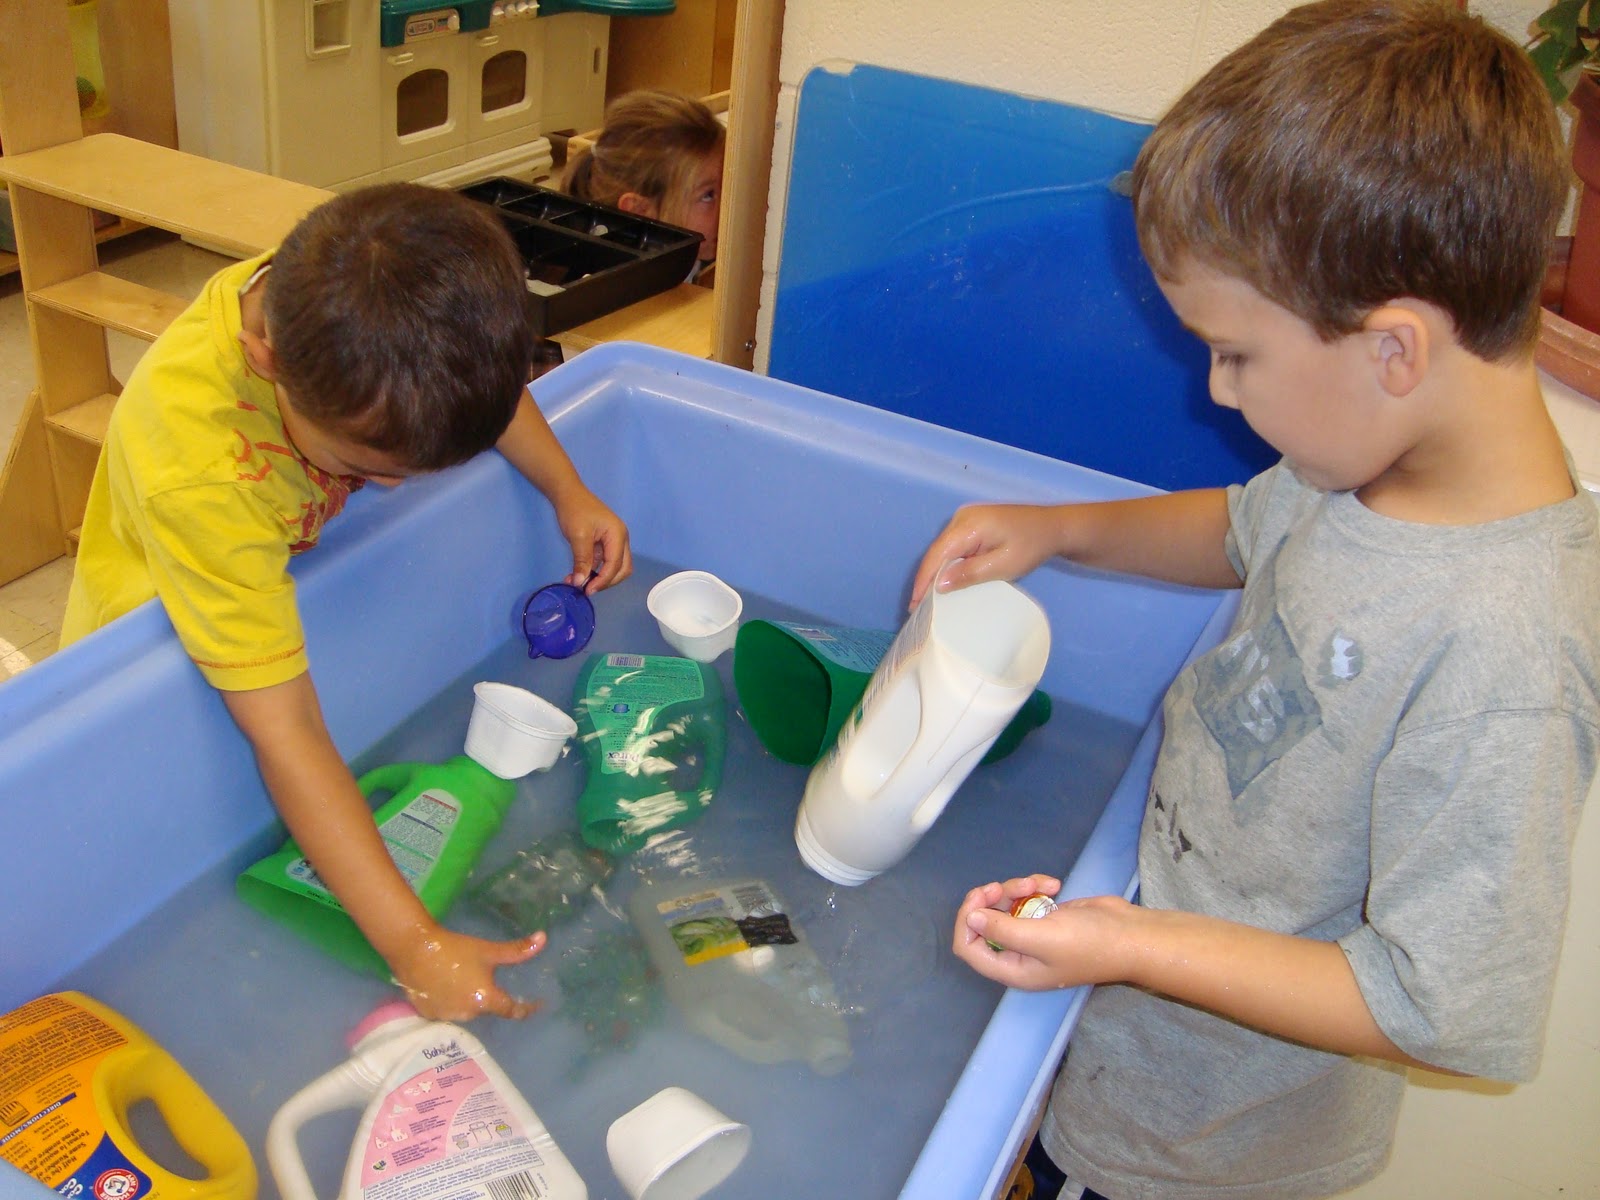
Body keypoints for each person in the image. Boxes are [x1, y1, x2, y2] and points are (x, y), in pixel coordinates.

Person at [912, 3, 1600, 1198]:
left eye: (1233, 353)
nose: (1219, 394)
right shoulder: (1367, 463)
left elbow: (1438, 1005)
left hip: (1210, 1148)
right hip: (1125, 1019)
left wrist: (1127, 944)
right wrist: (1060, 529)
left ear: (1393, 349)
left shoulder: (1506, 657)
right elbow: (1240, 531)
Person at [59, 182, 633, 1023]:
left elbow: (477, 379)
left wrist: (567, 490)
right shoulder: (205, 475)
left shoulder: (349, 299)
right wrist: (416, 946)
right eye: (367, 469)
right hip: (159, 653)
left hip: (263, 571)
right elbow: (284, 731)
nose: (394, 488)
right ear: (267, 362)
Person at [562, 88, 725, 281]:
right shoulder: (617, 293)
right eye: (708, 195)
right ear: (639, 211)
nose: (727, 206)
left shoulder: (688, 259)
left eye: (727, 184)